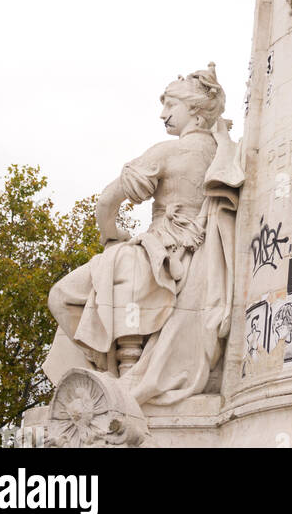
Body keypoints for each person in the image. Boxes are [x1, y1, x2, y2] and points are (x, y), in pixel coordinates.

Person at [45, 65, 243, 406]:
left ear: (194, 110)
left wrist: (112, 235)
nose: (163, 114)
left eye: (170, 105)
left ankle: (107, 373)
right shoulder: (229, 153)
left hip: (158, 254)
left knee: (61, 295)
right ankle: (117, 371)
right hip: (202, 259)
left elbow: (108, 200)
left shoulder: (167, 152)